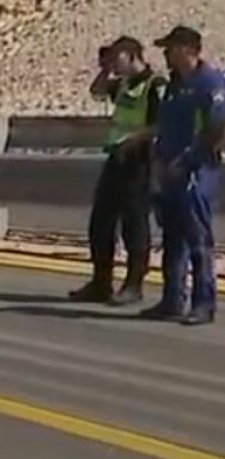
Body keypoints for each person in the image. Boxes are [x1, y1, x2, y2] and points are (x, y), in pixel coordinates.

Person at [141, 25, 225, 326]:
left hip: (196, 170)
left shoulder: (210, 83)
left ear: (187, 49)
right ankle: (172, 299)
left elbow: (217, 128)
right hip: (169, 169)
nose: (166, 54)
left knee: (198, 237)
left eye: (171, 48)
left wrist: (189, 160)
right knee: (173, 237)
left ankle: (204, 303)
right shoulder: (175, 85)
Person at [71, 37, 163, 304]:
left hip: (140, 160)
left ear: (131, 55)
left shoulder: (154, 85)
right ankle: (101, 282)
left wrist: (134, 140)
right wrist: (105, 69)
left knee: (134, 224)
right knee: (101, 222)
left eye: (117, 57)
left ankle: (134, 283)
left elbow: (159, 124)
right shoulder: (123, 84)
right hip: (116, 158)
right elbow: (97, 92)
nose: (114, 62)